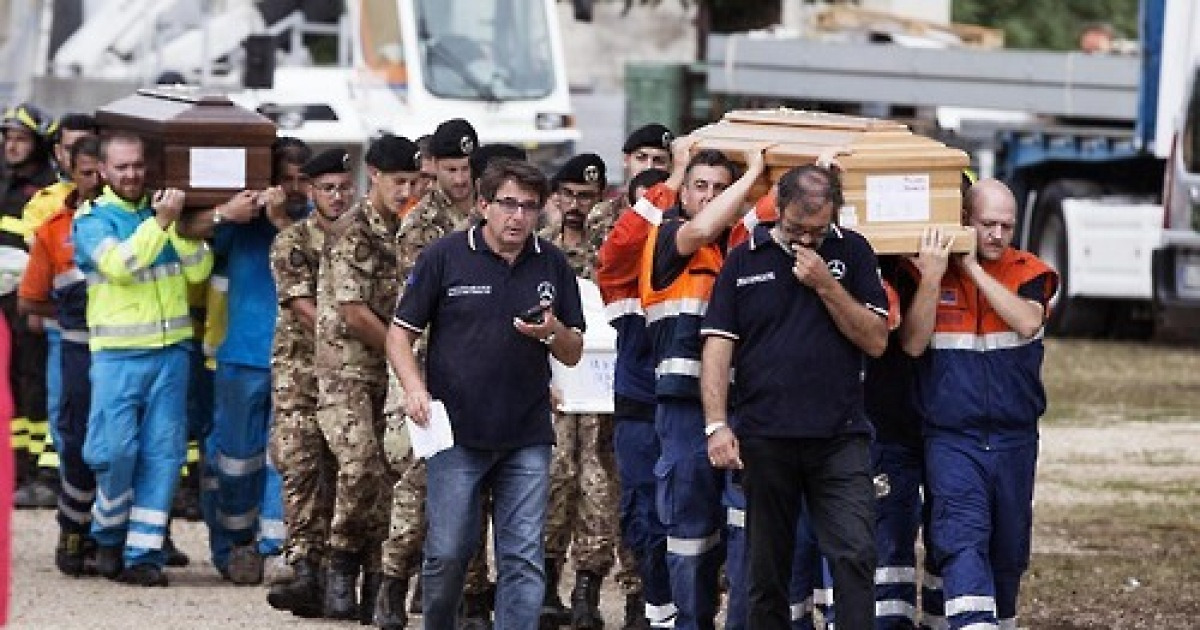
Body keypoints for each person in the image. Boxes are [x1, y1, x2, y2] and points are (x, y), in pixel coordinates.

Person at [388, 158, 585, 630]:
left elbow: (574, 350)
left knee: (523, 556)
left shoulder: (552, 262)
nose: (517, 216)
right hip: (457, 433)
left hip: (527, 434)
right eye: (507, 204)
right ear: (482, 205)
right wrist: (415, 389)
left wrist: (552, 330)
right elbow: (399, 334)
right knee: (448, 552)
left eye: (529, 207)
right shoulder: (445, 256)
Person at [700, 164, 888, 629]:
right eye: (797, 228)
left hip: (840, 437)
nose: (806, 240)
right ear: (778, 208)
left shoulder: (854, 252)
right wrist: (717, 425)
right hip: (765, 438)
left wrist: (826, 284)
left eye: (817, 231)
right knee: (767, 569)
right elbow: (718, 347)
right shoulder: (743, 260)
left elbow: (876, 340)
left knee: (856, 554)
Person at [898, 179, 1057, 630]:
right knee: (962, 539)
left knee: (1009, 552)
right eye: (988, 224)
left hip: (1014, 440)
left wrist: (972, 270)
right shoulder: (926, 272)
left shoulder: (1031, 272)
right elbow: (912, 344)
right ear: (965, 220)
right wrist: (934, 278)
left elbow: (1027, 321)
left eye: (1007, 226)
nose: (997, 235)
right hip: (953, 438)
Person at [381, 136, 523, 630]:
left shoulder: (509, 226)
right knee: (416, 480)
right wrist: (414, 385)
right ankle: (392, 582)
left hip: (484, 378)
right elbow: (413, 310)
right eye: (453, 169)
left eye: (467, 170)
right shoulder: (422, 224)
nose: (460, 179)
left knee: (475, 492)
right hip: (423, 370)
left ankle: (472, 596)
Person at [71, 132, 214, 586]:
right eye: (121, 167)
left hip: (172, 353)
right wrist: (161, 222)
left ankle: (143, 555)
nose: (131, 174)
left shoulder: (162, 211)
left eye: (137, 165)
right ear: (103, 171)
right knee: (114, 453)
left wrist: (180, 228)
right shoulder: (91, 219)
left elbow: (199, 271)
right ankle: (107, 535)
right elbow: (121, 267)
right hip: (117, 356)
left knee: (164, 456)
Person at [636, 141, 766, 630]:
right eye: (701, 187)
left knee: (746, 525)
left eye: (720, 187)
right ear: (683, 194)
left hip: (744, 406)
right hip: (684, 408)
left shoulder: (745, 249)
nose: (710, 197)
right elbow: (706, 226)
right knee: (690, 531)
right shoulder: (670, 236)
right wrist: (752, 172)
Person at [176, 137, 307, 585]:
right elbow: (187, 229)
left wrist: (282, 220)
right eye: (285, 180)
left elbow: (321, 258)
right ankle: (235, 543)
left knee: (285, 459)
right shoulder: (244, 223)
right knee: (233, 461)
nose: (293, 189)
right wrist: (226, 212)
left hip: (294, 361)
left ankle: (275, 549)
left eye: (300, 180)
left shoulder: (311, 222)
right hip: (240, 358)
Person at [322, 134, 423, 624]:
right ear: (375, 176)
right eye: (399, 181)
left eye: (414, 182)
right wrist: (403, 353)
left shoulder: (413, 229)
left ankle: (380, 580)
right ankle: (341, 561)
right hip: (350, 371)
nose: (407, 191)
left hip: (395, 372)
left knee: (394, 474)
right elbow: (353, 312)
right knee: (360, 463)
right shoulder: (352, 230)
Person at [593, 122, 680, 629]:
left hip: (691, 404)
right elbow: (626, 241)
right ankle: (655, 607)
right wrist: (674, 179)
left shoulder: (699, 255)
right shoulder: (620, 266)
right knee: (645, 515)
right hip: (641, 404)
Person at [265, 146, 351, 619]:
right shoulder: (293, 241)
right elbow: (301, 306)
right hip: (300, 373)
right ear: (311, 191)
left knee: (349, 469)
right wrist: (354, 330)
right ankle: (303, 564)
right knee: (300, 464)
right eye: (328, 188)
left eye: (344, 188)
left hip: (352, 374)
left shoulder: (367, 238)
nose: (337, 197)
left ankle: (341, 567)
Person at [539, 152, 619, 629]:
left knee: (599, 484)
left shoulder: (611, 247)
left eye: (585, 197)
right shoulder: (539, 248)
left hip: (602, 388)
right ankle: (547, 584)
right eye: (567, 195)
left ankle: (588, 587)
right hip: (553, 386)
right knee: (555, 478)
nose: (575, 205)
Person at [16, 136, 102, 575]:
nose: (97, 181)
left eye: (103, 172)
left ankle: (126, 539)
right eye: (87, 173)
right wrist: (70, 314)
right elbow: (29, 301)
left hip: (130, 353)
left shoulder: (140, 221)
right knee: (77, 444)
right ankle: (73, 533)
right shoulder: (54, 228)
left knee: (127, 448)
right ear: (71, 172)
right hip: (78, 351)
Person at [0, 103, 59, 509]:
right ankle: (16, 465)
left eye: (21, 139)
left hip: (28, 300)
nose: (12, 146)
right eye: (8, 138)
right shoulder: (4, 181)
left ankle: (38, 469)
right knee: (10, 380)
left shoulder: (46, 190)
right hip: (3, 297)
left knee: (32, 379)